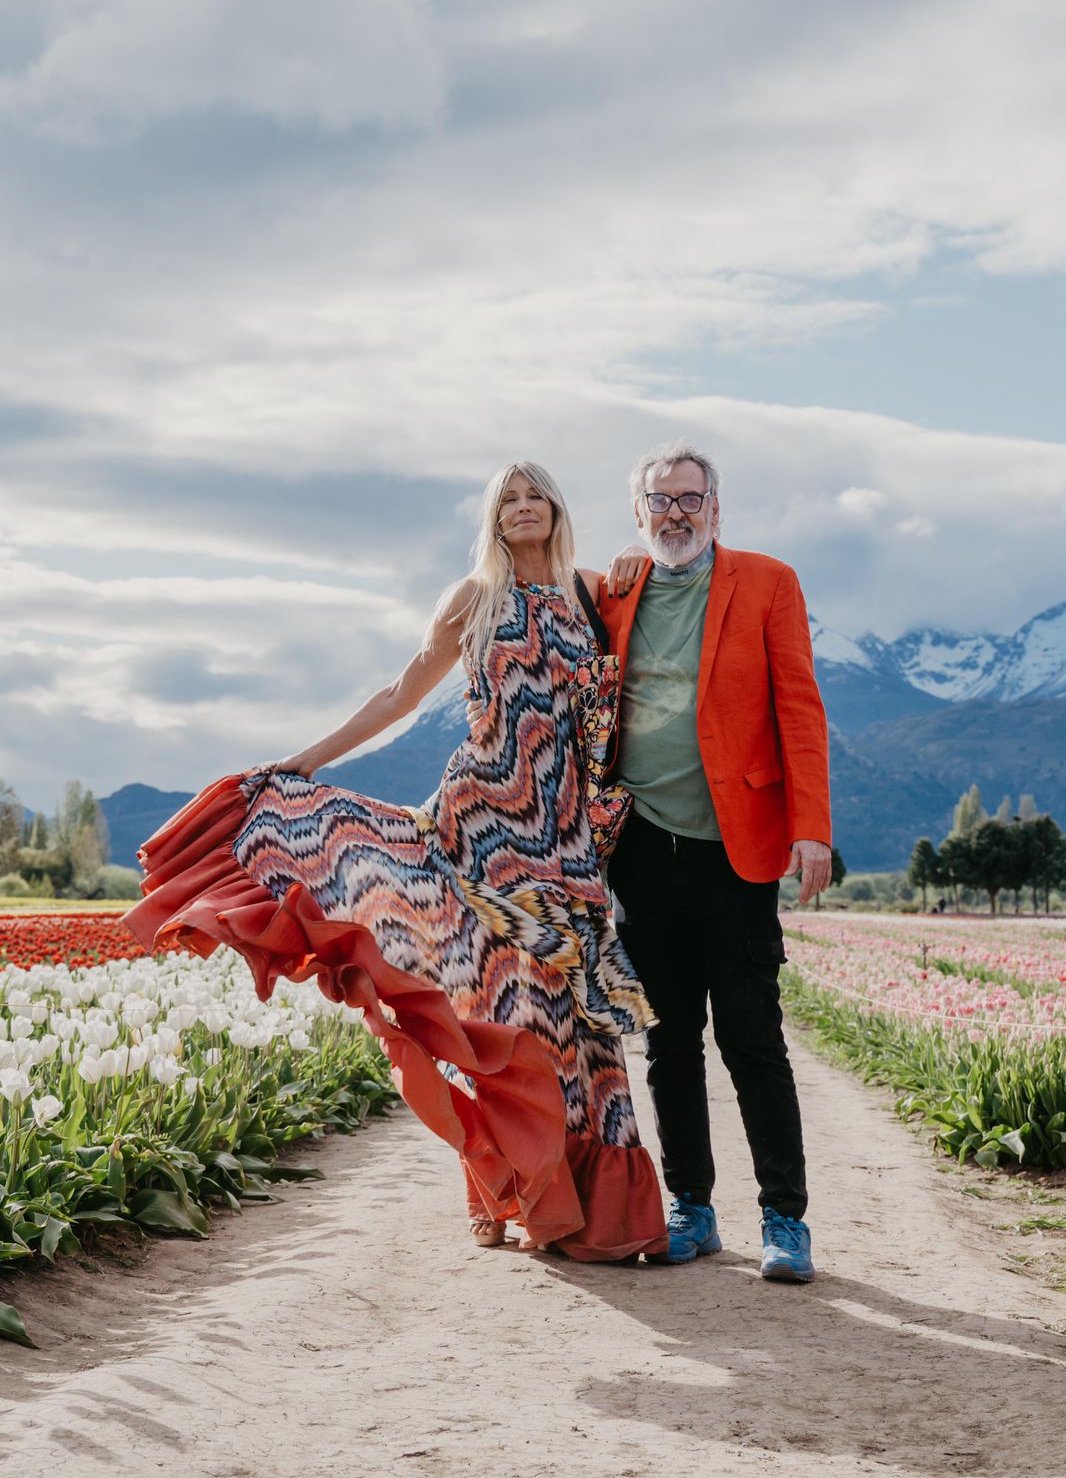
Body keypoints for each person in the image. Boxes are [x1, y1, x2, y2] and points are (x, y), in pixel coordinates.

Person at [127, 462, 666, 1263]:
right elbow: (399, 694)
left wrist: (637, 558)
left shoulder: (593, 595)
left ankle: (593, 1210)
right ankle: (498, 1189)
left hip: (567, 845)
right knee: (501, 1016)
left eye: (536, 496)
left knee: (574, 1022)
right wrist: (303, 763)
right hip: (476, 831)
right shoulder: (471, 599)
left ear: (556, 510)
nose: (523, 508)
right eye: (508, 499)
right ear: (493, 519)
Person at [598, 438, 832, 1281]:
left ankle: (784, 1219)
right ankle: (691, 1210)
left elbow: (799, 707)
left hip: (736, 851)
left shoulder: (768, 582)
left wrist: (812, 826)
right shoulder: (614, 594)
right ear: (639, 513)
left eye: (690, 498)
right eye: (660, 500)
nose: (676, 512)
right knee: (667, 1043)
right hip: (640, 852)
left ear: (717, 507)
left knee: (752, 1039)